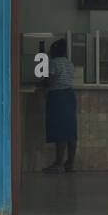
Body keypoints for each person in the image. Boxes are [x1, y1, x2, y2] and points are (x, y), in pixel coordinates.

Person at [42, 38, 78, 172]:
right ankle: (70, 163)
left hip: (58, 97)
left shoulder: (53, 63)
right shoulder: (69, 63)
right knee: (71, 130)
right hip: (69, 96)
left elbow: (48, 81)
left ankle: (58, 163)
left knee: (60, 131)